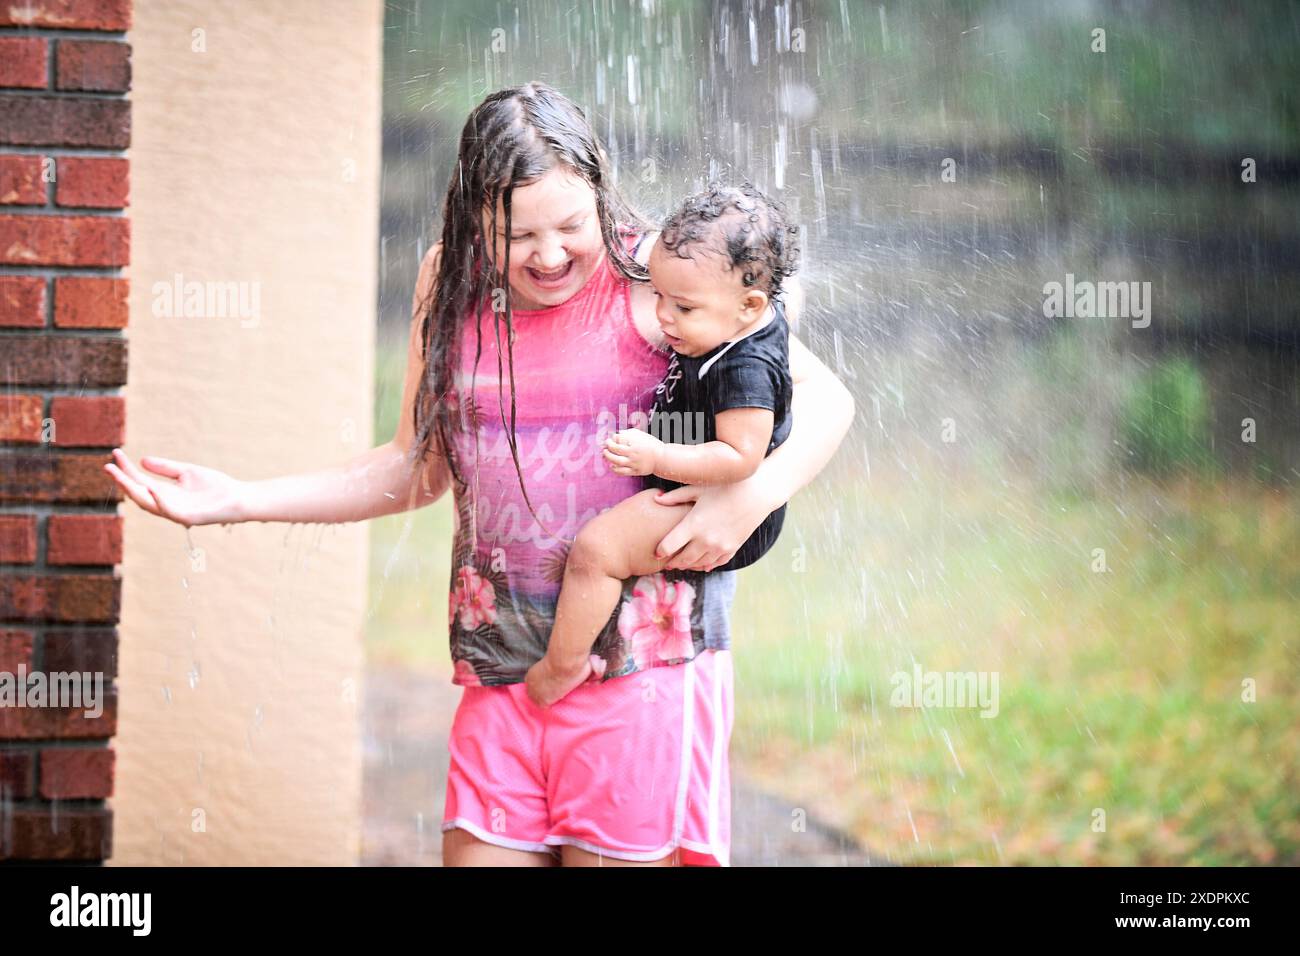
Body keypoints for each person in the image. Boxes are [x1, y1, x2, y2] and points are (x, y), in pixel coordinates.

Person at [104, 81, 855, 867]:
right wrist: (240, 499)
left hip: (640, 675)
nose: (550, 255)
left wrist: (751, 497)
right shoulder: (450, 282)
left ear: (600, 195)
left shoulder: (659, 280)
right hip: (502, 673)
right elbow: (414, 469)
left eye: (571, 226)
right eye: (517, 234)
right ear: (472, 217)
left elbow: (828, 400)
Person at [525, 181, 797, 710]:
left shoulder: (745, 367)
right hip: (699, 481)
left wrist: (658, 457)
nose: (664, 316)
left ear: (750, 306)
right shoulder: (729, 313)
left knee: (596, 552)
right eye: (659, 296)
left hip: (720, 503)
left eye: (684, 307)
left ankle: (563, 665)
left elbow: (741, 457)